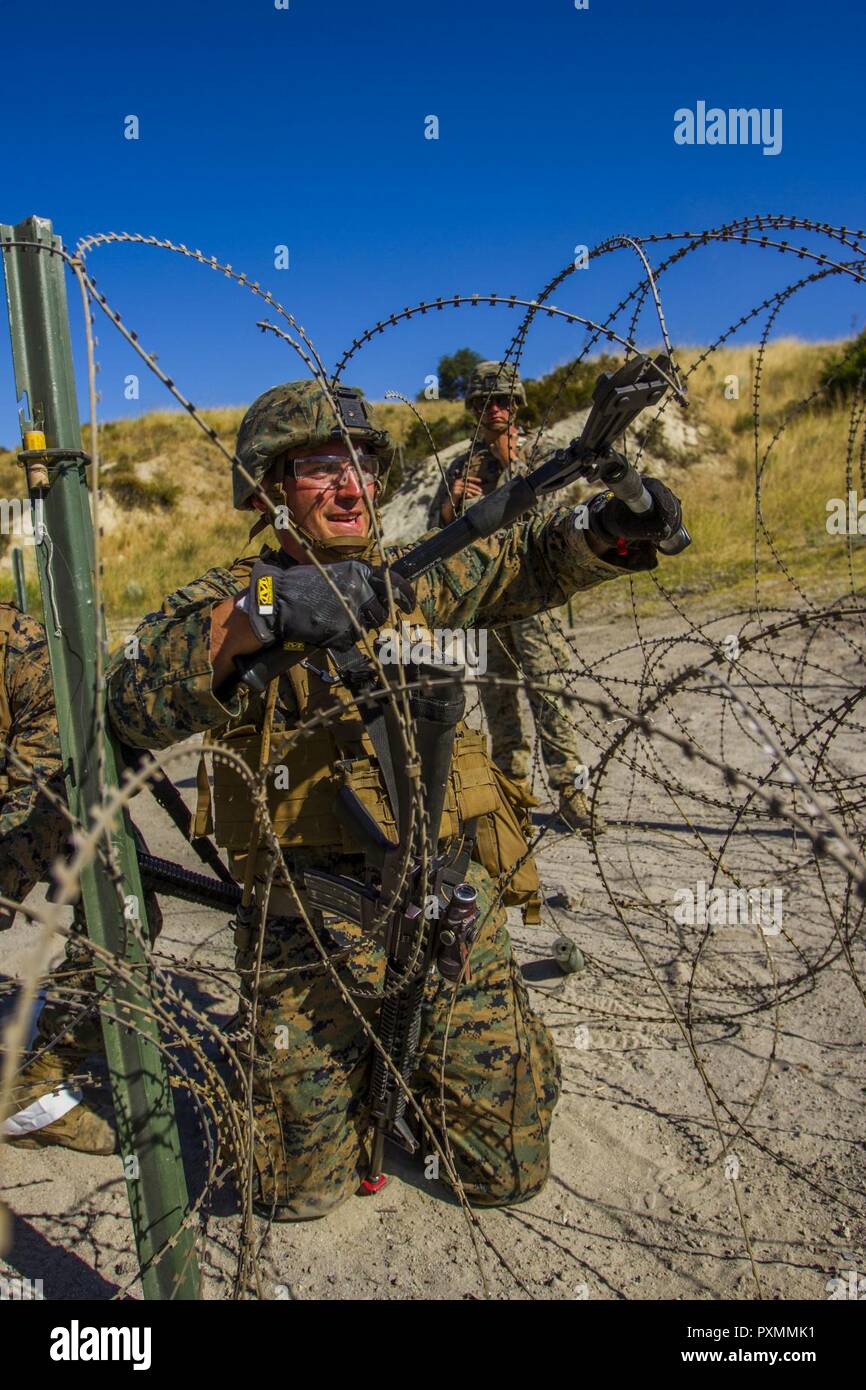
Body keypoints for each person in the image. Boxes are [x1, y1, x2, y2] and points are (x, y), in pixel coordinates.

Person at [106, 380, 683, 1220]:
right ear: (269, 490)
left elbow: (522, 558)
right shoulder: (228, 594)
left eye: (363, 464)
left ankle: (436, 1065)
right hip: (309, 921)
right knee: (290, 1194)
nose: (351, 486)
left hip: (441, 900)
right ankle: (313, 1071)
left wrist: (605, 529)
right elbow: (133, 693)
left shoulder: (405, 578)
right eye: (318, 468)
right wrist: (262, 612)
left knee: (506, 1173)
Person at [0, 602, 158, 1154]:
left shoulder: (19, 645)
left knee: (124, 912)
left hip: (28, 814)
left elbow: (47, 781)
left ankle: (34, 1087)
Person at [428, 361, 603, 832]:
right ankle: (512, 794)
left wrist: (513, 465)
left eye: (505, 401)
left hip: (532, 590)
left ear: (517, 405)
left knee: (549, 691)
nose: (498, 410)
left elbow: (555, 518)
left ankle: (570, 790)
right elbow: (438, 536)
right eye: (489, 402)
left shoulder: (543, 451)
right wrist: (448, 505)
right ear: (475, 409)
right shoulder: (462, 465)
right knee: (497, 698)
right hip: (484, 599)